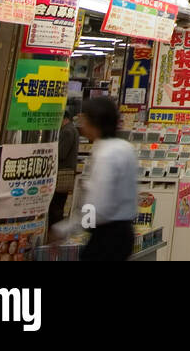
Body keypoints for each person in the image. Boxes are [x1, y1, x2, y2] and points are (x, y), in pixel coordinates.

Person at [52, 97, 137, 260]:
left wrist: (66, 228)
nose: (81, 123)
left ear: (95, 123)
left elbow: (98, 205)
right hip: (125, 231)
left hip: (107, 236)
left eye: (84, 118)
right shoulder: (125, 148)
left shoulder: (105, 154)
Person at [50, 107, 80, 225]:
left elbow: (61, 153)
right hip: (67, 171)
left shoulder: (67, 131)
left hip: (62, 172)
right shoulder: (73, 129)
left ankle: (55, 227)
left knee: (56, 204)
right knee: (59, 203)